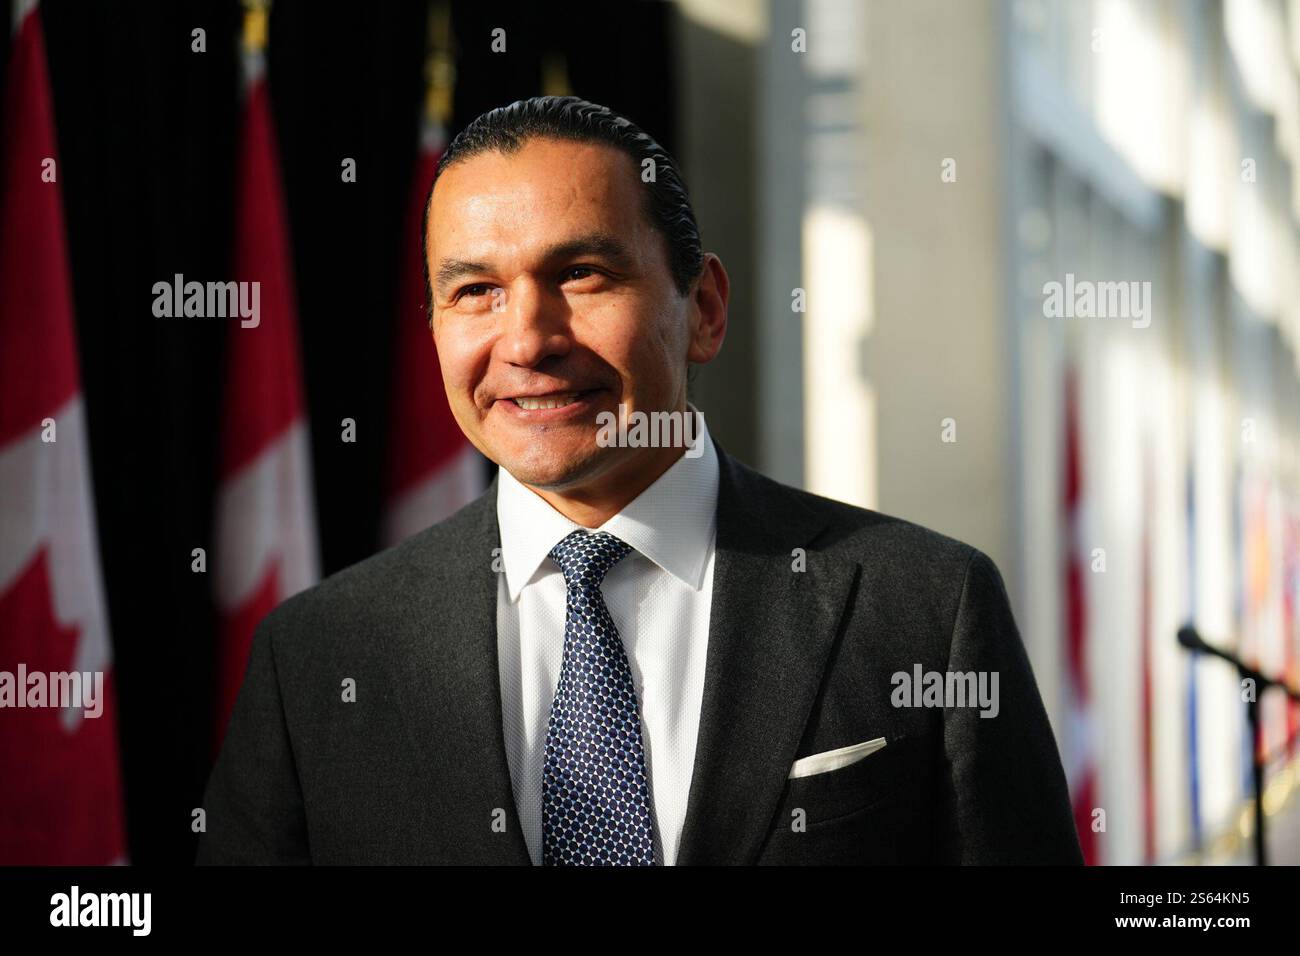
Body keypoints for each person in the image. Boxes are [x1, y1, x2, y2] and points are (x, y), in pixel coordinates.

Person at [197, 95, 1083, 865]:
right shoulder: (316, 660)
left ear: (703, 309)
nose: (528, 338)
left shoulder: (926, 609)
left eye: (581, 274)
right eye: (476, 291)